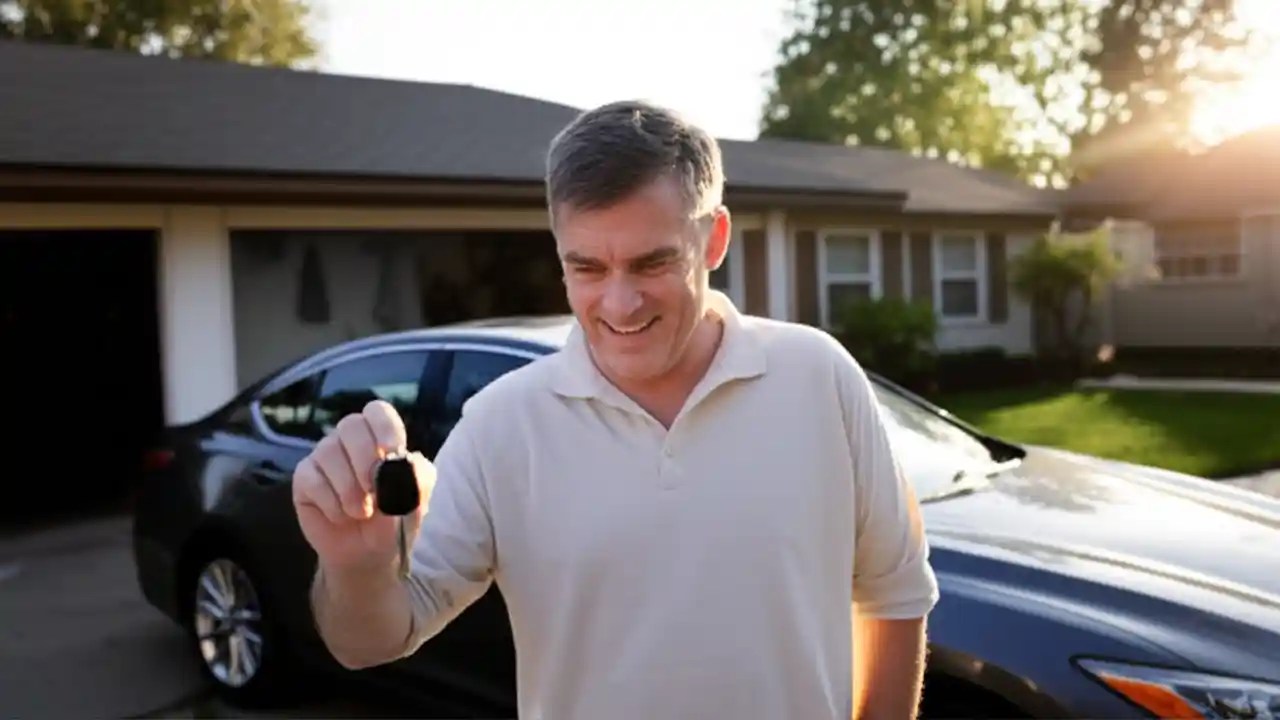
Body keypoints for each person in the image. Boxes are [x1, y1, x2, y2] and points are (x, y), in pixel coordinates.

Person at [293, 99, 940, 720]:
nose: (620, 303)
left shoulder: (818, 377)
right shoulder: (501, 425)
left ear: (713, 239)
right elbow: (369, 641)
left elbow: (895, 590)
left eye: (652, 262)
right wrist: (355, 565)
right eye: (588, 268)